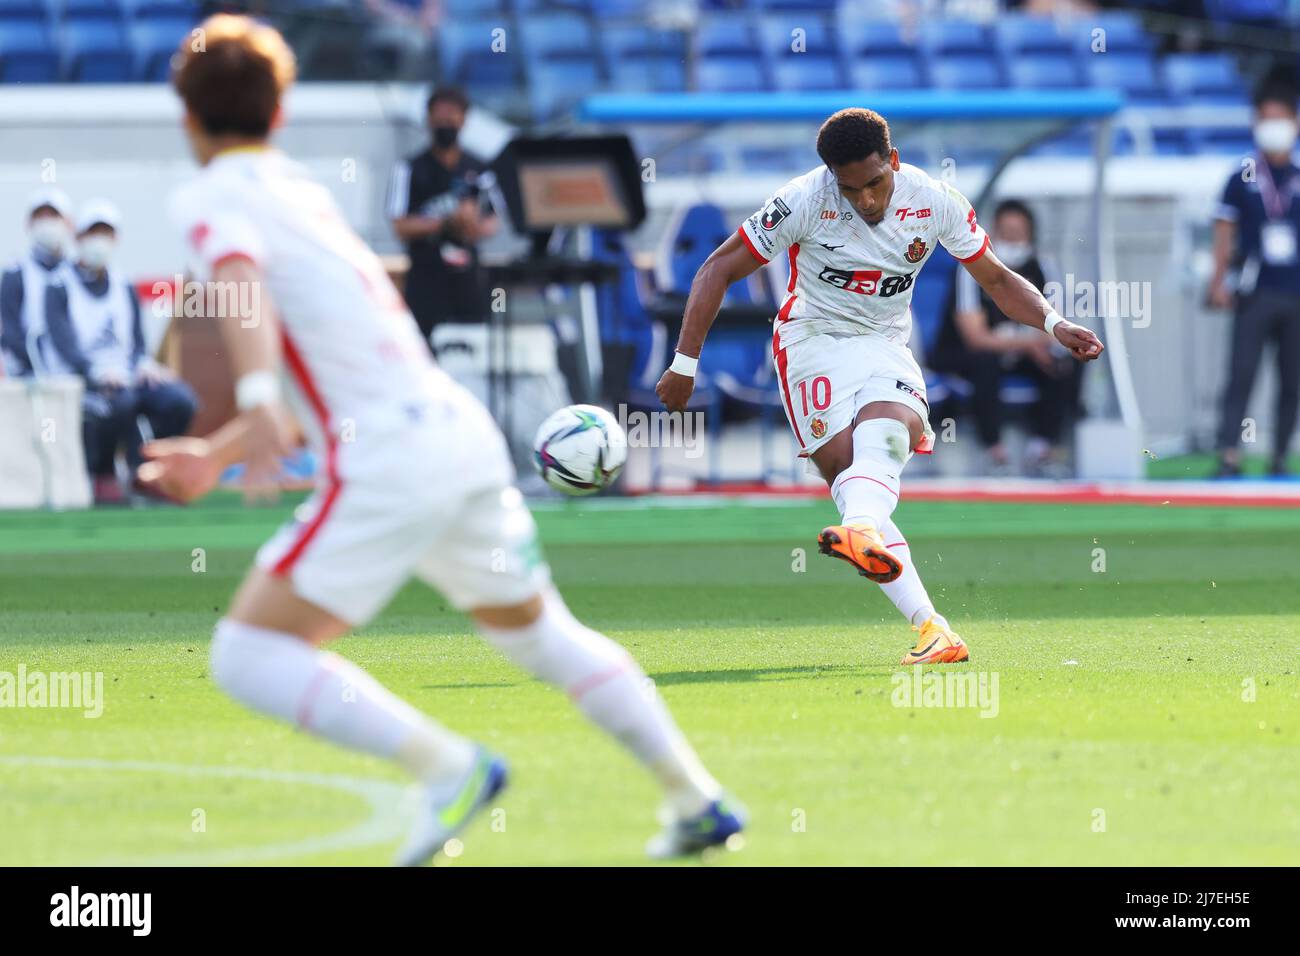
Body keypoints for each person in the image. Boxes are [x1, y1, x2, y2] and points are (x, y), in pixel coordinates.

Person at [140, 14, 740, 864]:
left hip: (389, 454)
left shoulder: (214, 195)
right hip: (455, 432)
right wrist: (229, 444)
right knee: (543, 635)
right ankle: (697, 797)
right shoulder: (300, 192)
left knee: (247, 652)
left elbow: (239, 282)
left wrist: (255, 395)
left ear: (187, 114)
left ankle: (447, 769)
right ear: (279, 114)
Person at [656, 108, 1104, 666]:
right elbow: (715, 270)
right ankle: (929, 622)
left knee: (891, 431)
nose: (866, 200)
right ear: (831, 179)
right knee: (849, 475)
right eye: (852, 190)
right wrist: (684, 362)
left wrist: (1054, 323)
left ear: (893, 161)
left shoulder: (934, 199)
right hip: (811, 341)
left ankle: (877, 552)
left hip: (885, 343)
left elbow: (995, 279)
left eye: (875, 183)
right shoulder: (802, 200)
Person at [43, 200, 198, 503]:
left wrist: (143, 364)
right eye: (93, 233)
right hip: (83, 380)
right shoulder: (59, 285)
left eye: (106, 234)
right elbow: (63, 346)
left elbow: (137, 342)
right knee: (119, 404)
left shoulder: (122, 284)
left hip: (125, 375)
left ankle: (150, 471)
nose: (99, 242)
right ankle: (104, 473)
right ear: (79, 238)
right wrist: (97, 373)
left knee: (179, 401)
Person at [929, 198, 1080, 476]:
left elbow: (1056, 324)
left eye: (1018, 233)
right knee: (985, 363)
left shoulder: (1042, 266)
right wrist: (1030, 342)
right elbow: (976, 337)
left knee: (1064, 361)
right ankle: (994, 451)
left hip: (1017, 350)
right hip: (974, 354)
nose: (1012, 240)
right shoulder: (971, 268)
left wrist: (1031, 343)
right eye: (1006, 232)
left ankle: (1043, 448)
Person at [1210, 85, 1300, 478]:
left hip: (1295, 289)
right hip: (1255, 288)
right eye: (1267, 119)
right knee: (1242, 372)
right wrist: (1218, 279)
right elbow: (1224, 230)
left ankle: (1280, 455)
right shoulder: (1242, 175)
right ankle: (1229, 453)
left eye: (1281, 119)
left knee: (1292, 377)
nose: (1274, 127)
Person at [387, 87, 497, 347]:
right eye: (440, 118)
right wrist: (444, 222)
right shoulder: (410, 169)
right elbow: (400, 225)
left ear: (464, 120)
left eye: (452, 118)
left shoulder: (478, 169)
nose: (445, 124)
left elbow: (493, 220)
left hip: (468, 279)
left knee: (474, 350)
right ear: (428, 120)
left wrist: (472, 224)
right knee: (422, 350)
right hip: (426, 279)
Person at [0, 188, 74, 378]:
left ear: (68, 223)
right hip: (29, 372)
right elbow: (10, 332)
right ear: (29, 224)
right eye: (41, 217)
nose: (47, 224)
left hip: (73, 369)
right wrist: (41, 363)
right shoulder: (16, 273)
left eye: (53, 216)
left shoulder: (76, 273)